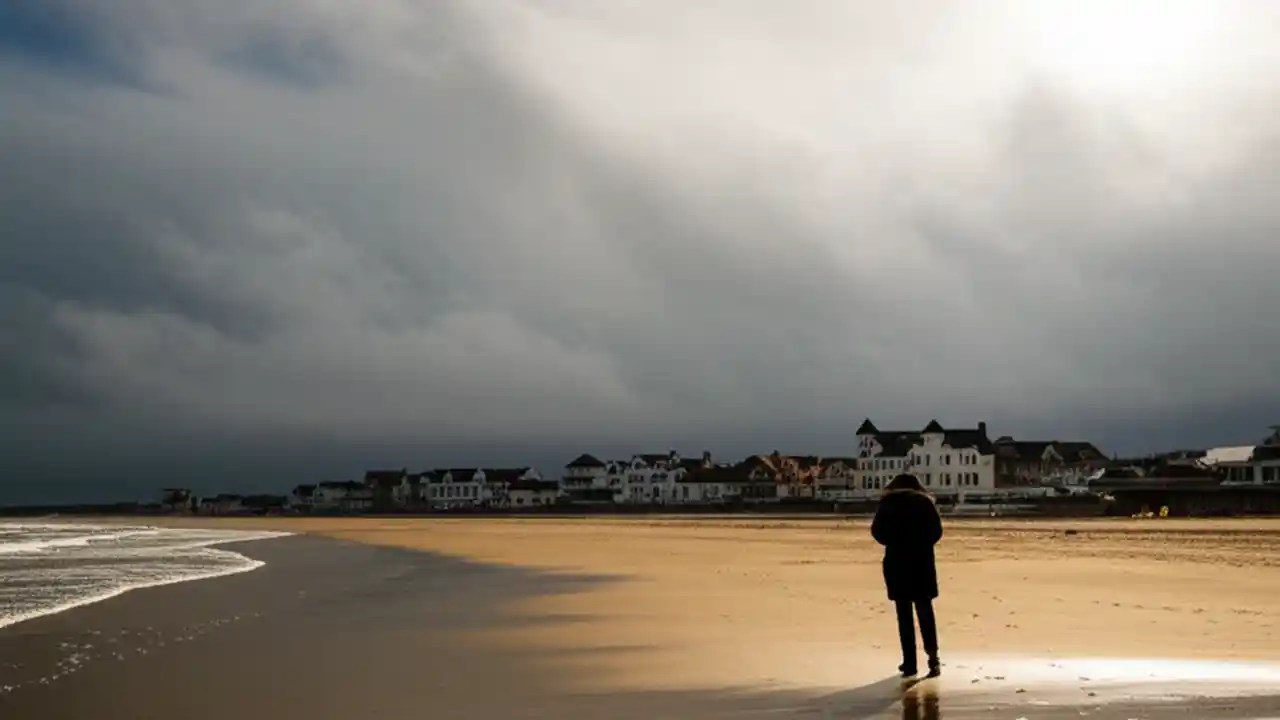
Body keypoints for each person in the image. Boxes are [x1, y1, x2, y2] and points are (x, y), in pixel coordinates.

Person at [871, 473, 943, 678]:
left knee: (904, 615)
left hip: (897, 562)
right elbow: (936, 532)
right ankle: (933, 660)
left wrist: (895, 542)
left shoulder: (888, 504)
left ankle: (909, 663)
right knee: (925, 612)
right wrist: (921, 543)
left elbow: (877, 532)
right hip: (922, 562)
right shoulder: (925, 503)